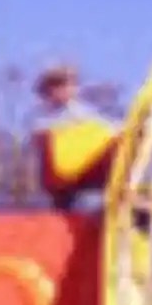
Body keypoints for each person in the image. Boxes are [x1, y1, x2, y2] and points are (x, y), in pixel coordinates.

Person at [31, 64, 107, 213]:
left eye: (70, 84)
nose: (66, 90)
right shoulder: (42, 118)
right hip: (60, 177)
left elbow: (103, 130)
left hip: (85, 173)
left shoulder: (83, 113)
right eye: (59, 86)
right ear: (48, 91)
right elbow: (41, 139)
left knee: (93, 202)